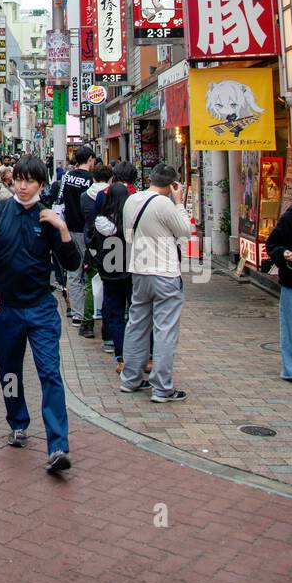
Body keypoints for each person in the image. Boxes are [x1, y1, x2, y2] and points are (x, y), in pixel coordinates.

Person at [0, 154, 82, 473]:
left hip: (41, 308)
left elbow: (73, 264)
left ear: (41, 184)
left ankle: (58, 445)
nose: (22, 186)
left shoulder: (48, 218)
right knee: (9, 371)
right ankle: (18, 420)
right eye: (19, 179)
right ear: (12, 179)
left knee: (50, 373)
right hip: (4, 308)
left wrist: (62, 231)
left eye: (30, 181)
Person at [119, 164, 192, 403]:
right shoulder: (165, 203)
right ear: (172, 185)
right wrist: (179, 203)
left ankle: (130, 379)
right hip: (165, 273)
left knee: (136, 324)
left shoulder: (132, 201)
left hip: (139, 270)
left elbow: (127, 235)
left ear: (150, 178)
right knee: (165, 329)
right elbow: (185, 232)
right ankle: (162, 388)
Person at [95, 161, 137, 374]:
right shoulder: (133, 222)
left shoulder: (101, 223)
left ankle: (120, 357)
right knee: (137, 313)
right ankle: (143, 357)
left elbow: (93, 244)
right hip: (132, 271)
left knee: (115, 314)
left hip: (110, 274)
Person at [56, 146, 96, 326]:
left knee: (73, 271)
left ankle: (77, 313)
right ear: (89, 159)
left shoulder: (67, 177)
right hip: (87, 231)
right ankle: (91, 311)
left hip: (69, 229)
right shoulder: (91, 180)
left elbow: (60, 200)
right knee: (90, 272)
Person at [77, 164, 113, 339]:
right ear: (111, 178)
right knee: (111, 286)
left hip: (91, 243)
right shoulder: (114, 195)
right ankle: (109, 323)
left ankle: (88, 323)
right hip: (112, 245)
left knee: (91, 283)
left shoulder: (84, 197)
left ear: (93, 178)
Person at [264, 206, 292, 382]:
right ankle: (291, 369)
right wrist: (284, 253)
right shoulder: (290, 217)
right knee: (291, 326)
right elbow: (272, 244)